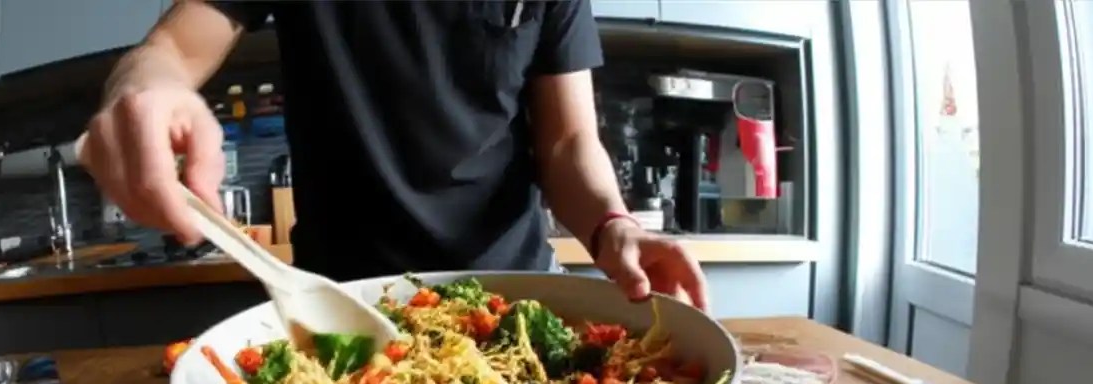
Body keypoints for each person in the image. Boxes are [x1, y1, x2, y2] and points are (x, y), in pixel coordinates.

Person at [84, 0, 709, 311]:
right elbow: (172, 47)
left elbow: (568, 141)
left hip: (512, 294)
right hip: (341, 304)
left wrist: (612, 223)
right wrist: (144, 87)